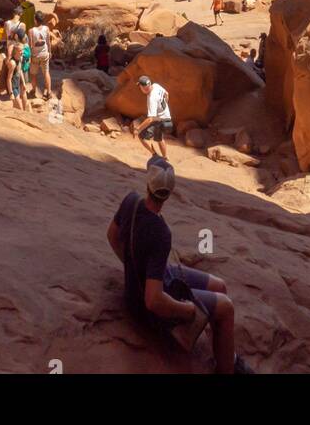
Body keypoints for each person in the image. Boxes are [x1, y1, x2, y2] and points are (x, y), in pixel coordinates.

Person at [106, 159, 252, 374]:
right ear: (170, 193)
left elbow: (112, 236)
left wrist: (131, 265)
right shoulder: (160, 232)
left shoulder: (131, 201)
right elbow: (153, 300)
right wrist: (188, 311)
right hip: (145, 308)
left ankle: (225, 355)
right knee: (226, 307)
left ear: (148, 184)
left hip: (156, 278)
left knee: (219, 286)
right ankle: (226, 370)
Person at [134, 75, 173, 159]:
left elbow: (150, 119)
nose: (140, 89)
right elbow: (167, 94)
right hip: (167, 118)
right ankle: (165, 157)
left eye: (140, 87)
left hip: (159, 119)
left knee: (140, 136)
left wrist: (138, 129)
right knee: (159, 138)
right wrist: (164, 106)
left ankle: (154, 154)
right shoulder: (156, 85)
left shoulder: (151, 98)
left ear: (143, 88)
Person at [29, 12, 54, 100]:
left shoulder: (31, 31)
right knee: (46, 72)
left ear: (35, 20)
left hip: (35, 55)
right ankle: (49, 92)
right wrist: (50, 52)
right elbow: (48, 42)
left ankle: (33, 90)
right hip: (44, 54)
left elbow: (31, 45)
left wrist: (30, 56)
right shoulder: (46, 29)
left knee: (33, 74)